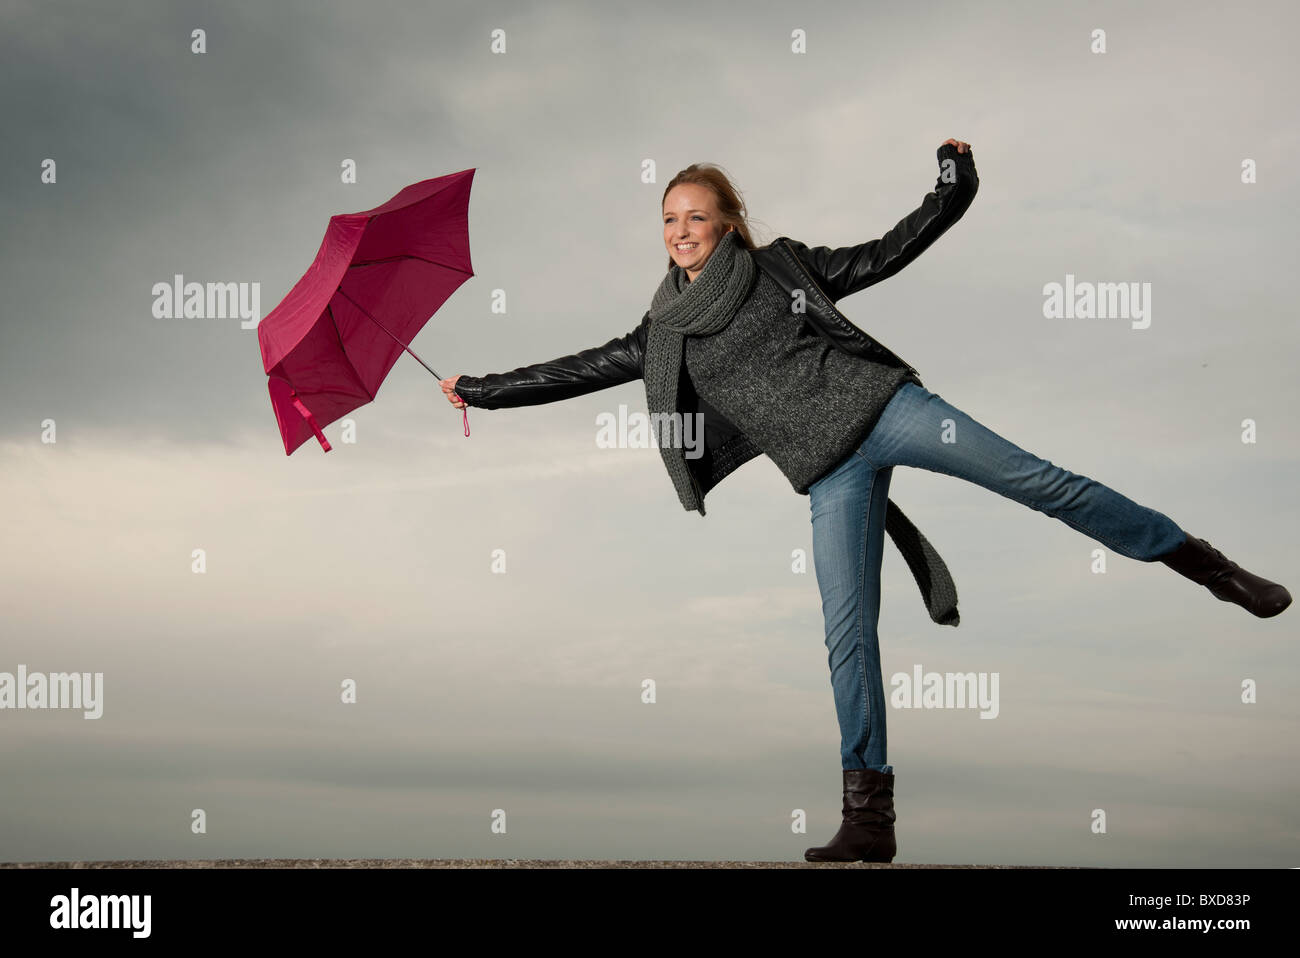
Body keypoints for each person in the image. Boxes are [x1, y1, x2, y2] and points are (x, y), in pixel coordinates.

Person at [441, 140, 1292, 864]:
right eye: (669, 220)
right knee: (846, 632)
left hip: (890, 412)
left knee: (1040, 482)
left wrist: (952, 186)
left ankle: (1204, 565)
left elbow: (888, 251)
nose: (681, 232)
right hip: (828, 472)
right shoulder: (661, 333)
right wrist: (479, 389)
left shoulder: (782, 271)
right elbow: (576, 369)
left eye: (696, 216)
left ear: (728, 223)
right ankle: (868, 820)